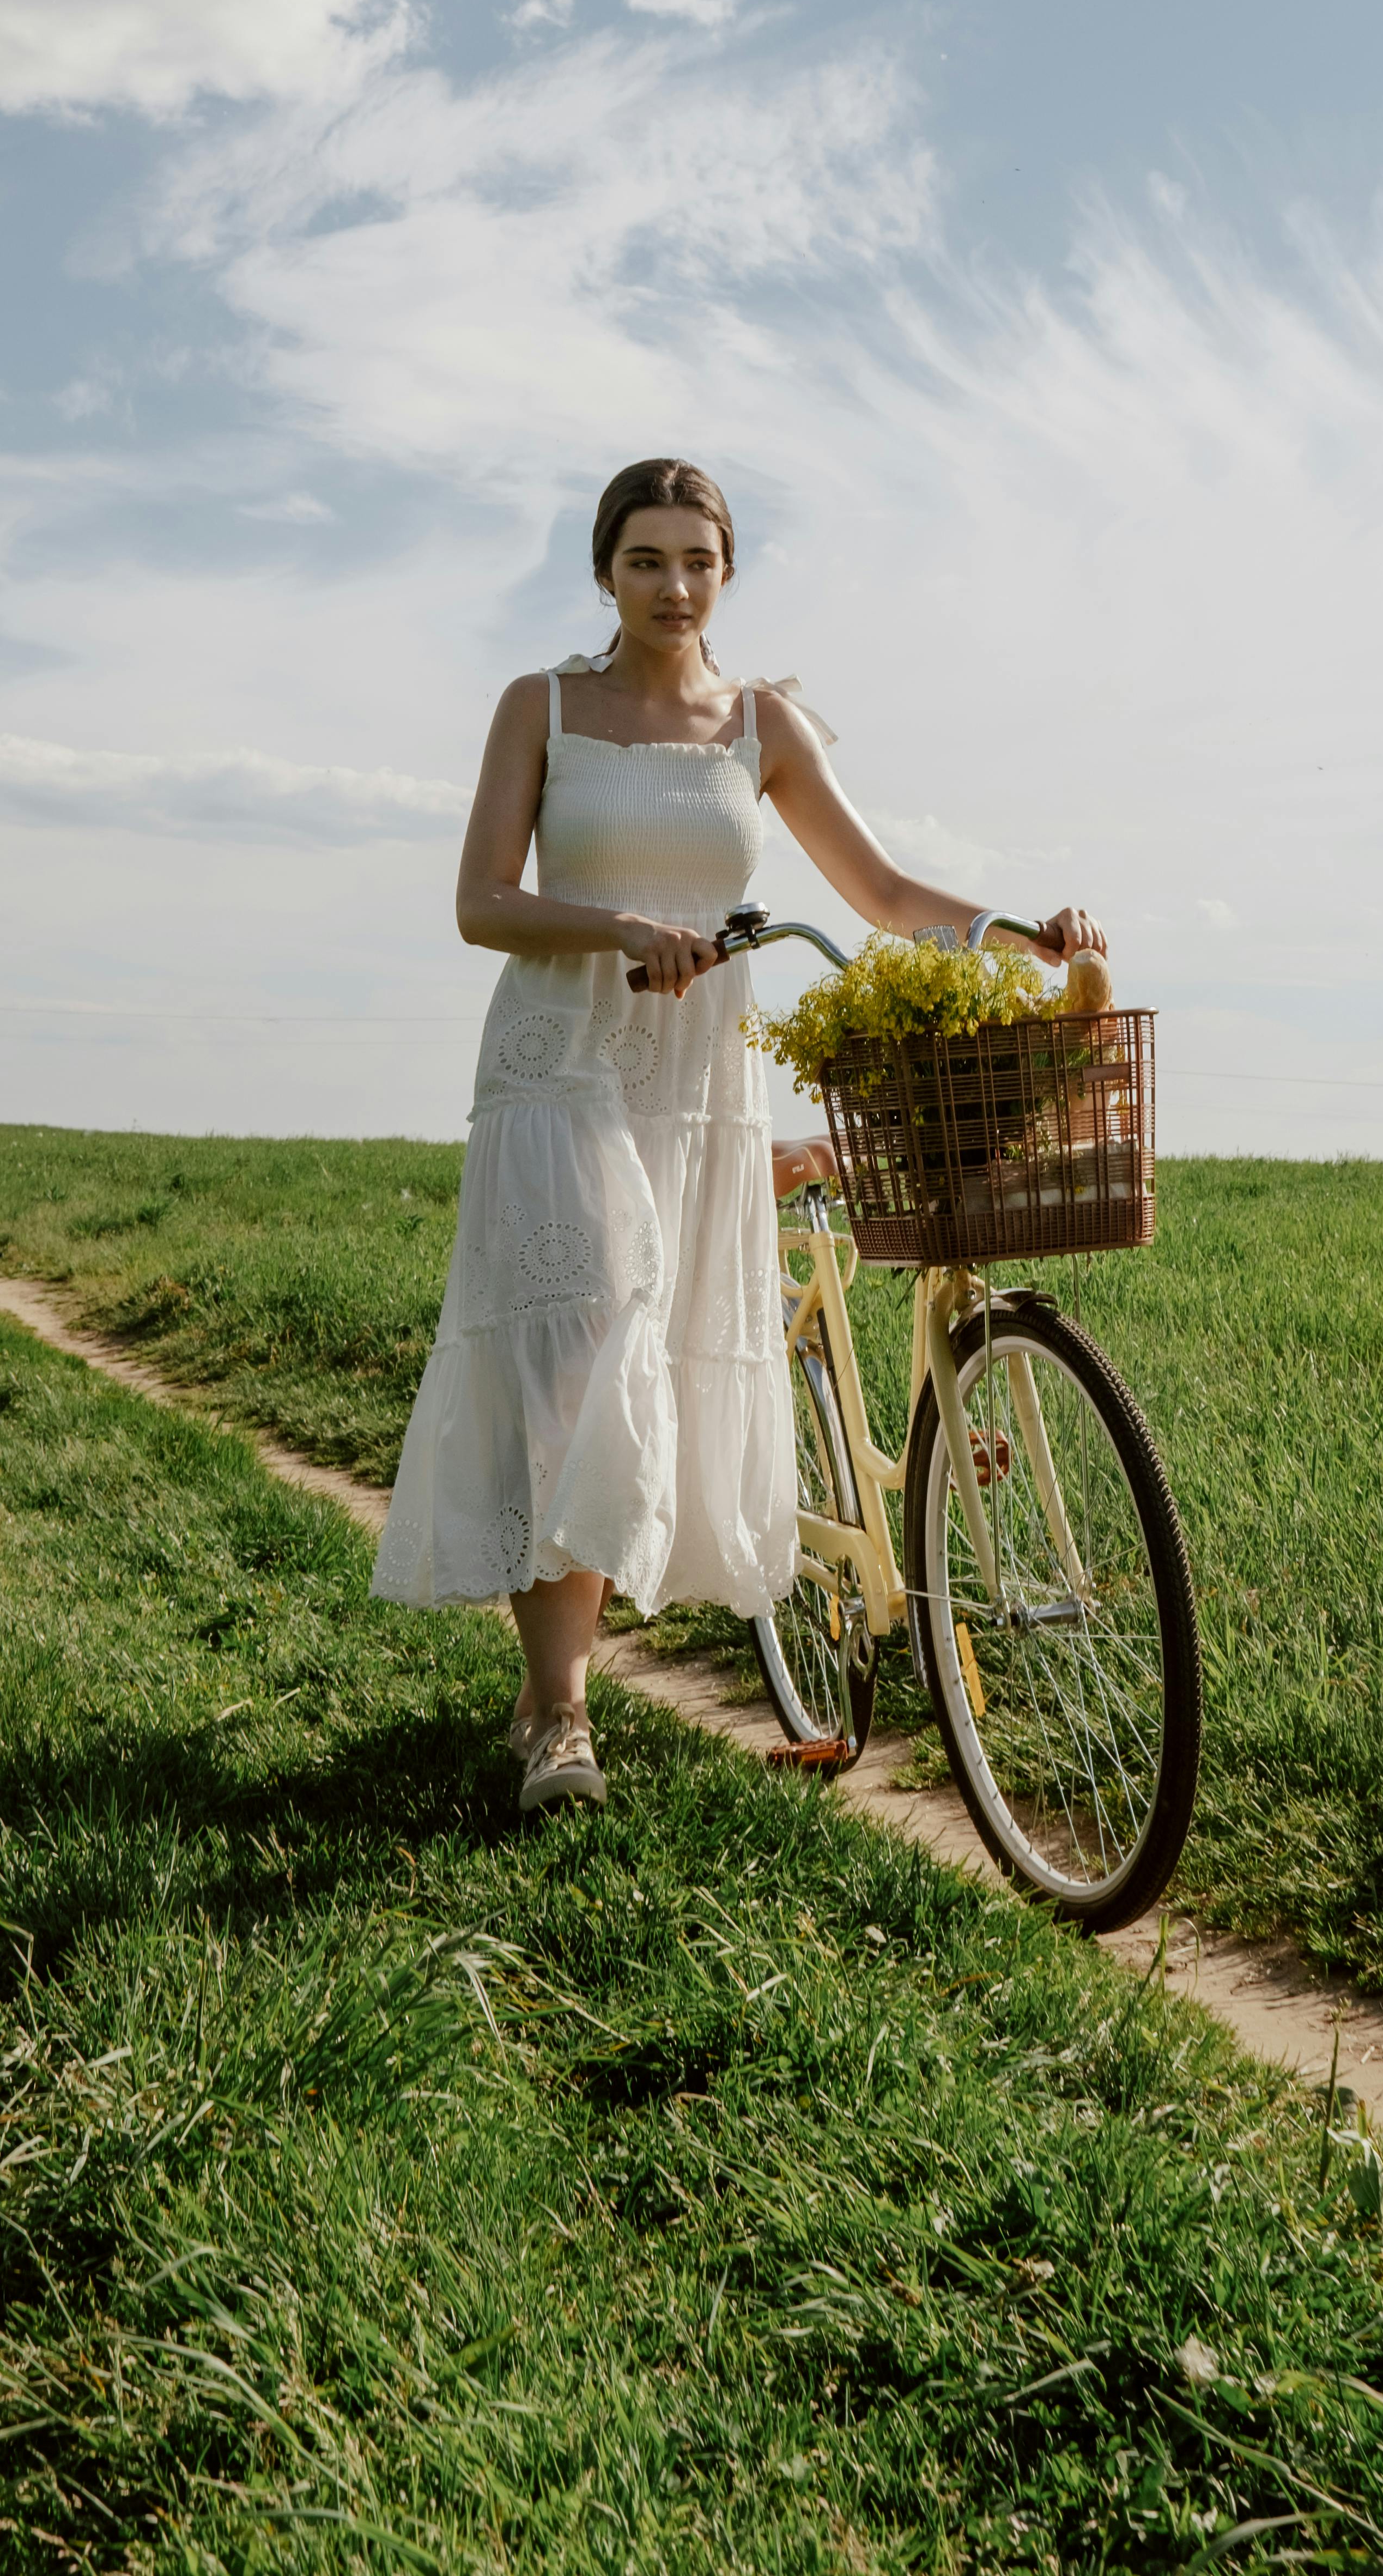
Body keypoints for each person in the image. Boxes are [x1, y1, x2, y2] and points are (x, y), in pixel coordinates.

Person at [370, 455, 1105, 1814]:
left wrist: (1016, 932)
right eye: (645, 560)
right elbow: (480, 901)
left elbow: (880, 890)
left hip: (694, 1078)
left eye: (697, 561)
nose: (672, 585)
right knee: (577, 1345)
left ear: (727, 574)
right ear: (605, 571)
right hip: (555, 1065)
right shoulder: (539, 705)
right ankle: (558, 1715)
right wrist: (619, 930)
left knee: (637, 1349)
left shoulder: (758, 723)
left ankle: (561, 1686)